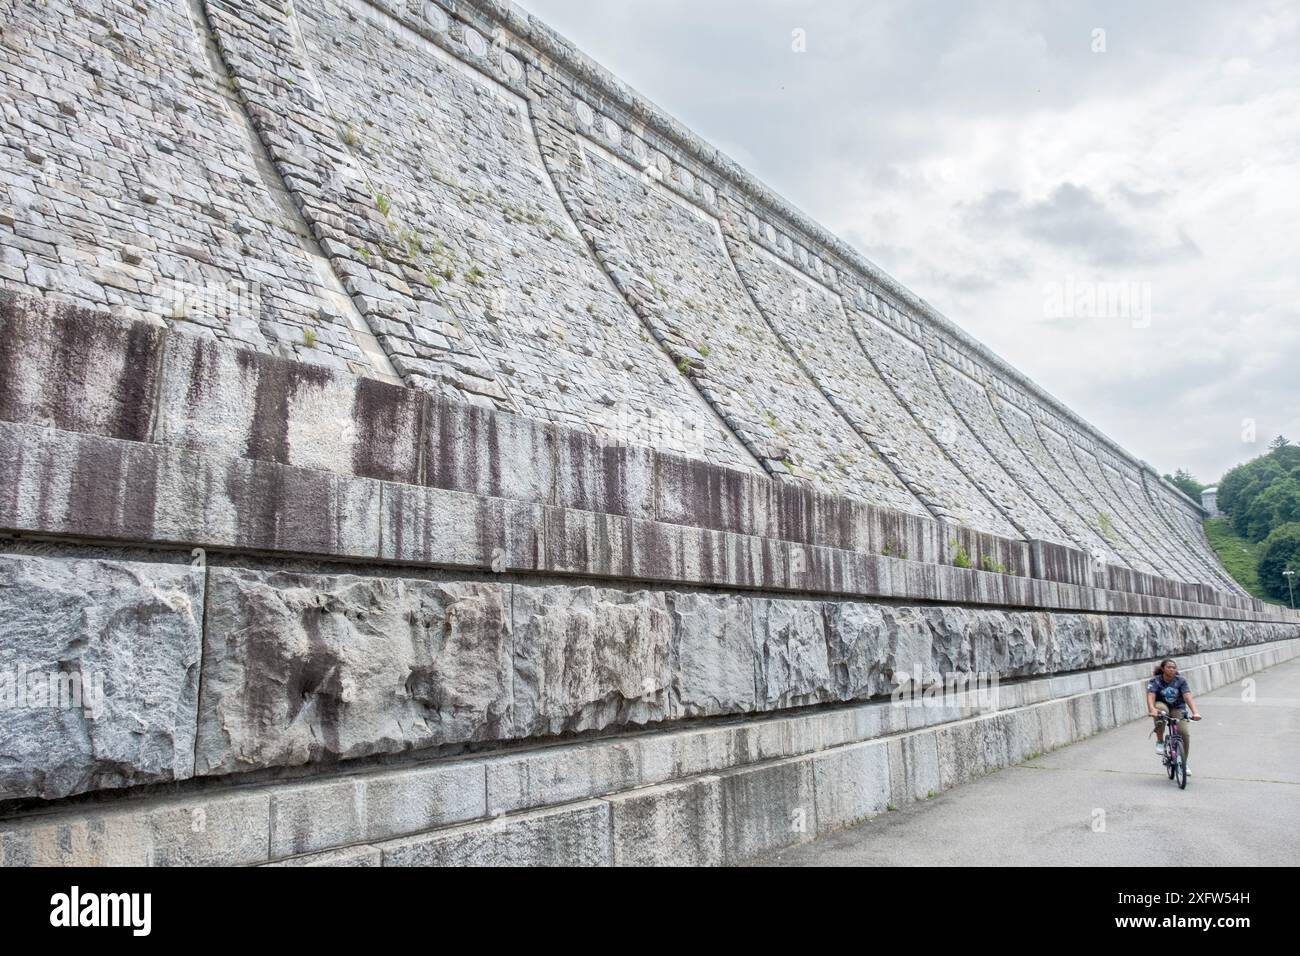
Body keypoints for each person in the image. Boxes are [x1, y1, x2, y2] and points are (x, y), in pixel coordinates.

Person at [1146, 658, 1201, 773]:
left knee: (1184, 733)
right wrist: (1152, 709)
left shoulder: (1180, 681)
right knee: (1160, 711)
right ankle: (1160, 741)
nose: (1171, 669)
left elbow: (1187, 696)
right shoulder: (1155, 681)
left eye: (1174, 667)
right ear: (1163, 668)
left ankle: (1183, 763)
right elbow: (1151, 696)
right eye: (1169, 667)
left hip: (1178, 708)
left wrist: (1195, 712)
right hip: (1162, 705)